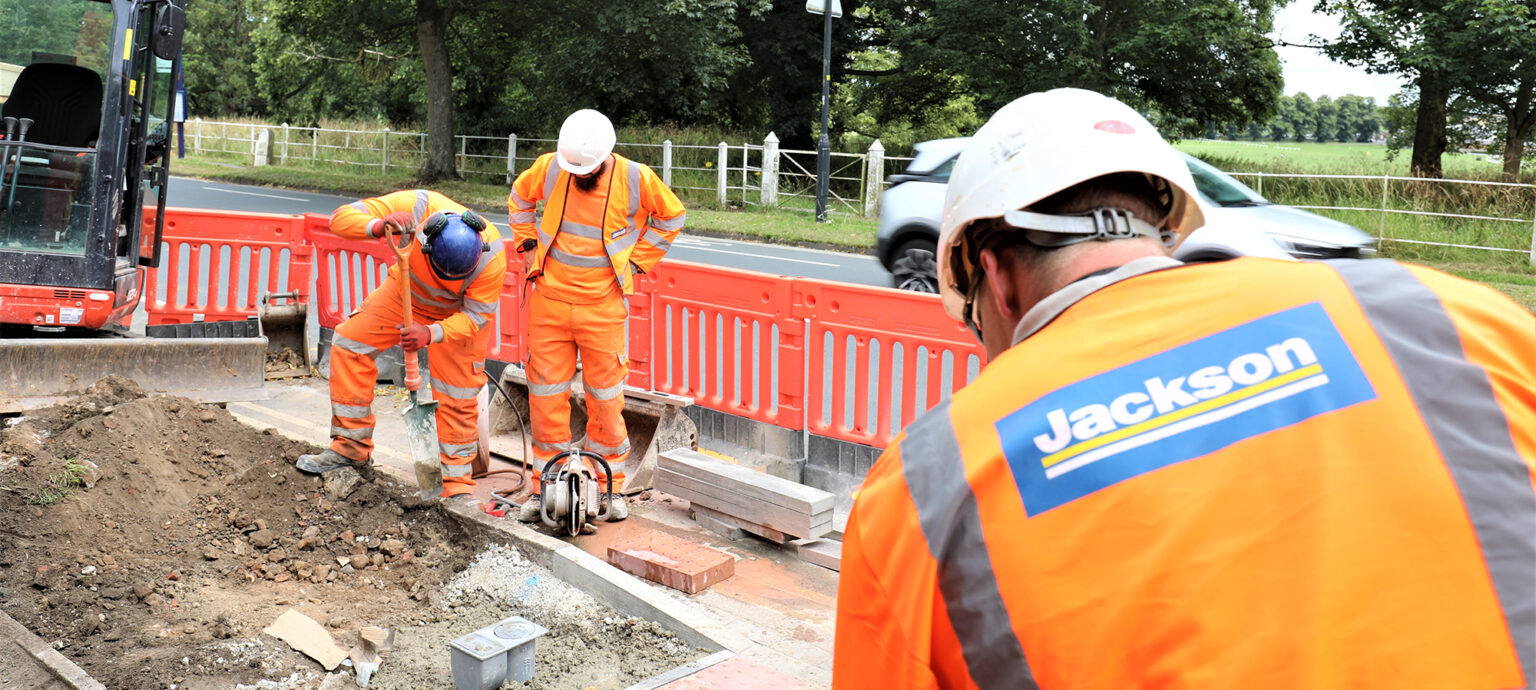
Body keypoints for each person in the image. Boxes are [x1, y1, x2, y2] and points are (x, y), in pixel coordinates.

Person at [833, 88, 1536, 689]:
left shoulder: (925, 483)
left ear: (997, 278)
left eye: (975, 324)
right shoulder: (1458, 317)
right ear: (1162, 229)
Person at [508, 109, 686, 523]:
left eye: (585, 169)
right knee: (546, 399)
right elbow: (519, 201)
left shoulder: (635, 177)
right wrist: (528, 246)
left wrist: (638, 262)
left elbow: (672, 216)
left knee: (606, 401)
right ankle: (544, 488)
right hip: (549, 302)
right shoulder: (550, 167)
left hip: (603, 305)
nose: (579, 174)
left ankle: (610, 488)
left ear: (607, 155)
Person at [295, 190, 508, 503]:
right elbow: (340, 219)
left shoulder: (492, 259)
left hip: (458, 316)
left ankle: (456, 482)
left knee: (458, 391)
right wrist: (380, 226)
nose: (446, 282)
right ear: (425, 241)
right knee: (350, 343)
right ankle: (351, 447)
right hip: (405, 292)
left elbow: (476, 317)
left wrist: (431, 332)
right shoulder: (416, 206)